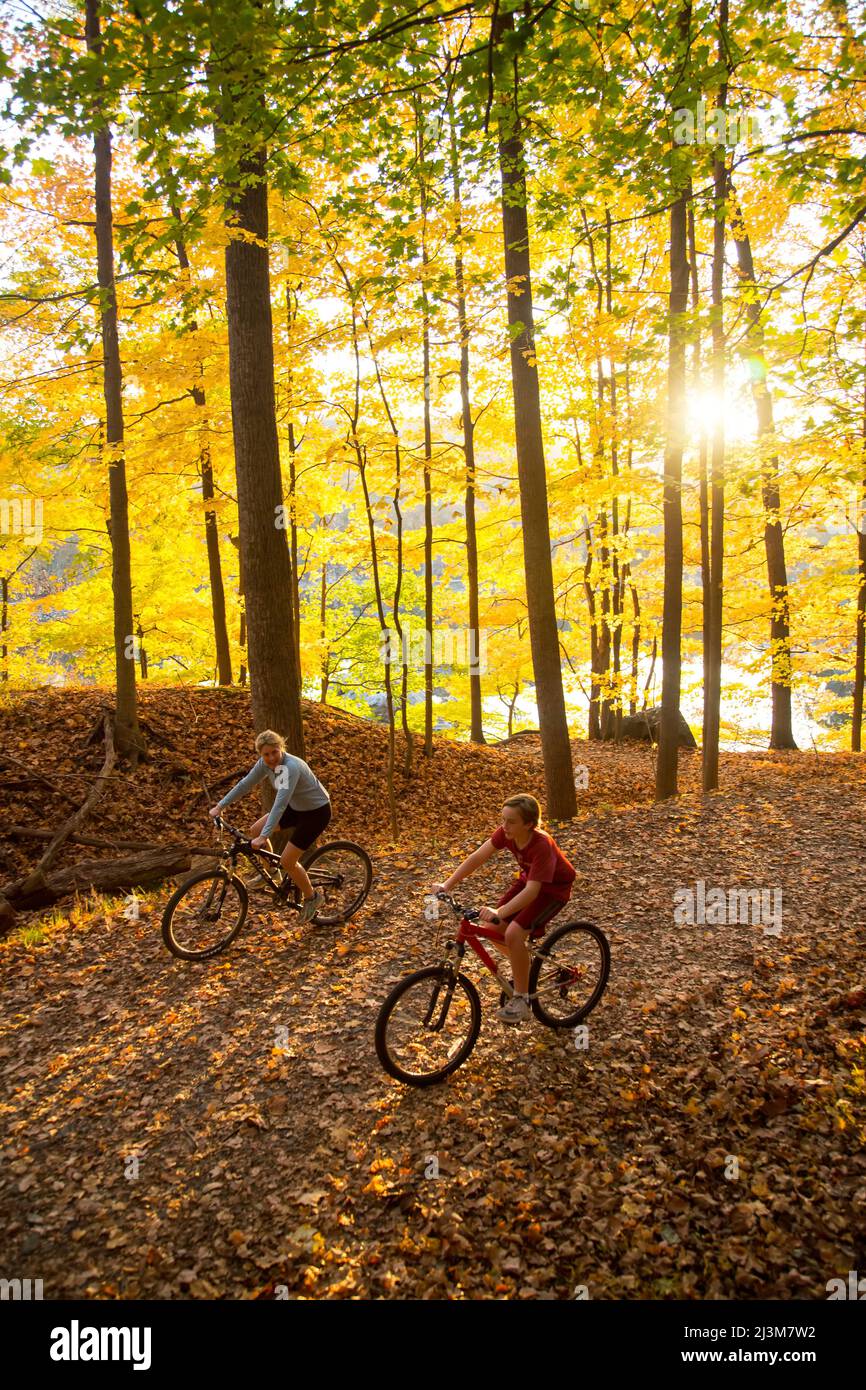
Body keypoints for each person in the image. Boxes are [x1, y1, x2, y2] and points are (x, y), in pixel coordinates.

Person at [432, 793, 576, 1024]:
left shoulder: (542, 845)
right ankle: (524, 966)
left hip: (552, 890)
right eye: (503, 819)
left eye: (511, 821)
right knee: (492, 928)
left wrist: (501, 911)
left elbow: (533, 892)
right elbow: (478, 857)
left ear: (529, 824)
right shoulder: (506, 833)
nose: (504, 826)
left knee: (513, 933)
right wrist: (447, 885)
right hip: (529, 881)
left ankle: (522, 998)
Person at [209, 730, 331, 923]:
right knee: (254, 830)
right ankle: (273, 873)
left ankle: (312, 897)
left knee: (288, 861)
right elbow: (244, 785)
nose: (271, 758)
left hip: (316, 812)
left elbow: (280, 803)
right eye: (266, 754)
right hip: (296, 807)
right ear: (261, 754)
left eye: (275, 752)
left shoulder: (291, 766)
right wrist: (219, 806)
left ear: (281, 748)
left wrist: (265, 837)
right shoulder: (264, 764)